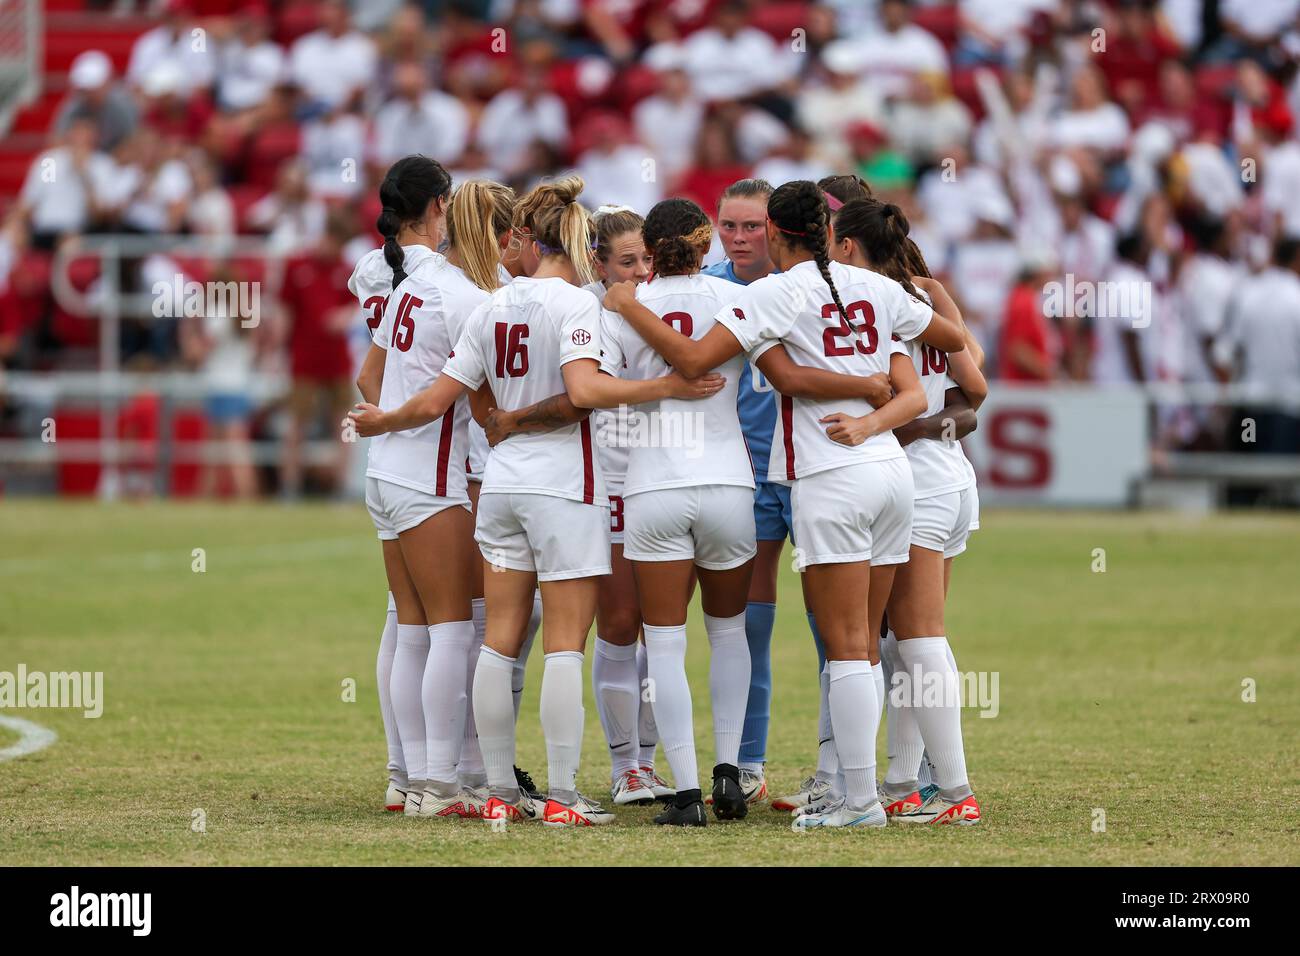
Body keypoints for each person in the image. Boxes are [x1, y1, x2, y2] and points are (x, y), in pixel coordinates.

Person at [350, 176, 726, 827]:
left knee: (495, 641)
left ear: (527, 237)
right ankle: (560, 795)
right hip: (563, 488)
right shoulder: (576, 304)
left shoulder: (492, 304)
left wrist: (409, 422)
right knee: (562, 647)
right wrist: (664, 386)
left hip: (499, 485)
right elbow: (585, 390)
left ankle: (494, 789)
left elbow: (447, 397)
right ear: (575, 239)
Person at [602, 179, 966, 829]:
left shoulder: (772, 292)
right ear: (828, 233)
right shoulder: (878, 289)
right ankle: (893, 786)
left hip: (831, 474)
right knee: (869, 642)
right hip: (893, 475)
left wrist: (627, 306)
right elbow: (945, 338)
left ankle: (856, 801)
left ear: (773, 232)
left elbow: (690, 358)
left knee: (848, 645)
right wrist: (874, 363)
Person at [830, 198, 986, 826]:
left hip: (916, 487)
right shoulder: (926, 293)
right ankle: (901, 781)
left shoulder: (859, 300)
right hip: (951, 481)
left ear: (847, 243)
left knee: (918, 639)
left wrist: (898, 429)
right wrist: (924, 427)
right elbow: (974, 394)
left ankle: (955, 792)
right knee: (903, 642)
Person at [601, 198, 756, 825]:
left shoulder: (622, 308)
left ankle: (686, 794)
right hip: (728, 482)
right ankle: (729, 777)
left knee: (663, 644)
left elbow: (601, 393)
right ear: (703, 244)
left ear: (654, 248)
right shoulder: (736, 304)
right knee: (728, 633)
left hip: (653, 482)